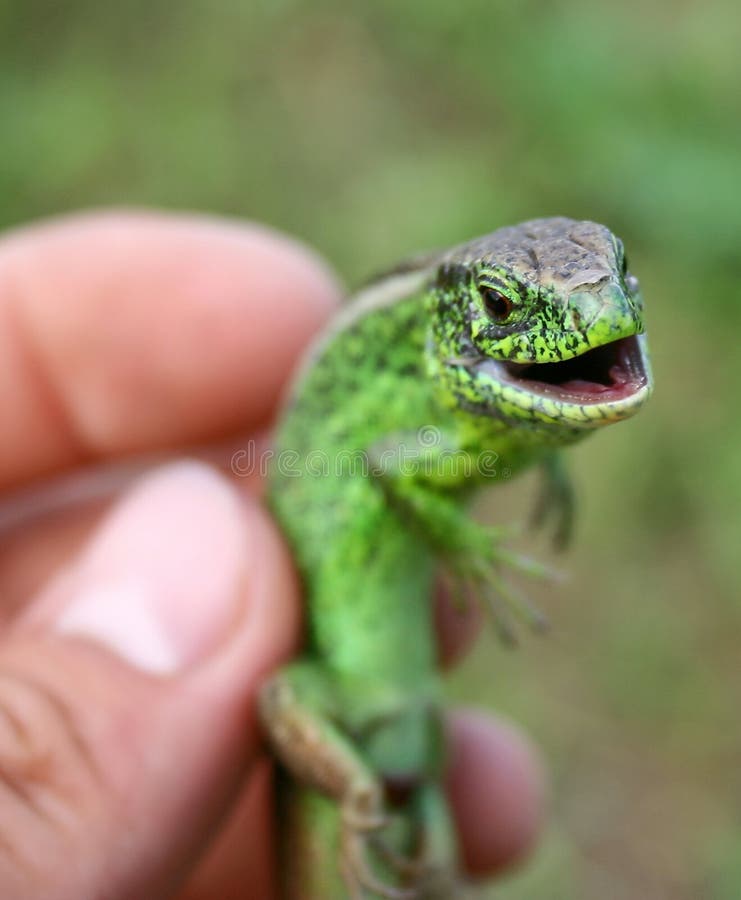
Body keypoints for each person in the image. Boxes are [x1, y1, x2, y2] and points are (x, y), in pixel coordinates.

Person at [0, 210, 544, 898]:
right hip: (344, 759)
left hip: (404, 757)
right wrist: (349, 791)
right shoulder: (407, 428)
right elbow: (287, 700)